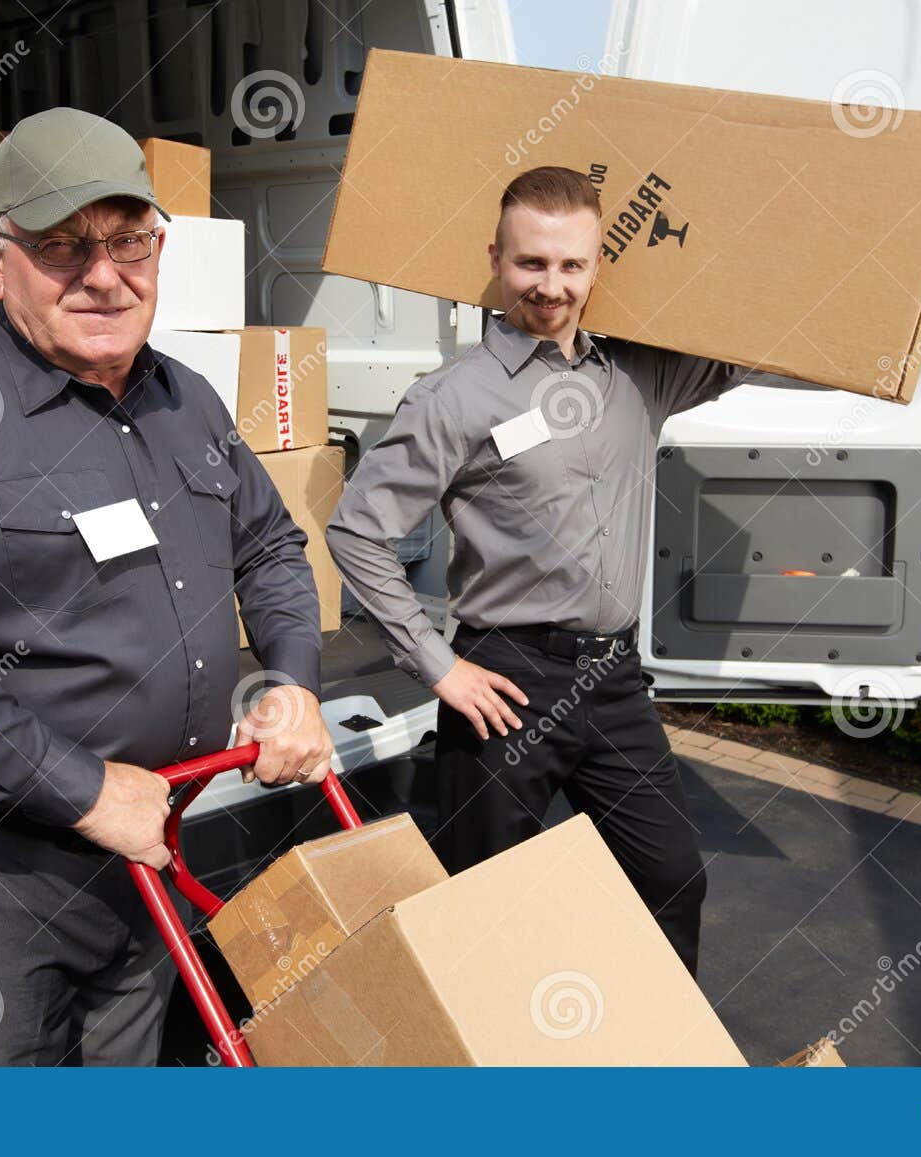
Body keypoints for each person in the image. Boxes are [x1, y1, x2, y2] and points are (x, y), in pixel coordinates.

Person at [0, 107, 332, 1063]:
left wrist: (290, 680)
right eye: (61, 246)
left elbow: (269, 548)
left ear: (159, 248)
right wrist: (83, 789)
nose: (104, 274)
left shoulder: (186, 399)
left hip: (151, 855)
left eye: (129, 240)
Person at [326, 165, 749, 977]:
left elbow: (760, 344)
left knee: (671, 881)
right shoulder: (454, 397)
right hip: (505, 685)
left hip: (616, 680)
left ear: (597, 268)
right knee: (481, 912)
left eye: (571, 265)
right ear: (495, 257)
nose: (551, 287)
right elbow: (357, 532)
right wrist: (438, 665)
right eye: (531, 263)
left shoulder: (638, 376)